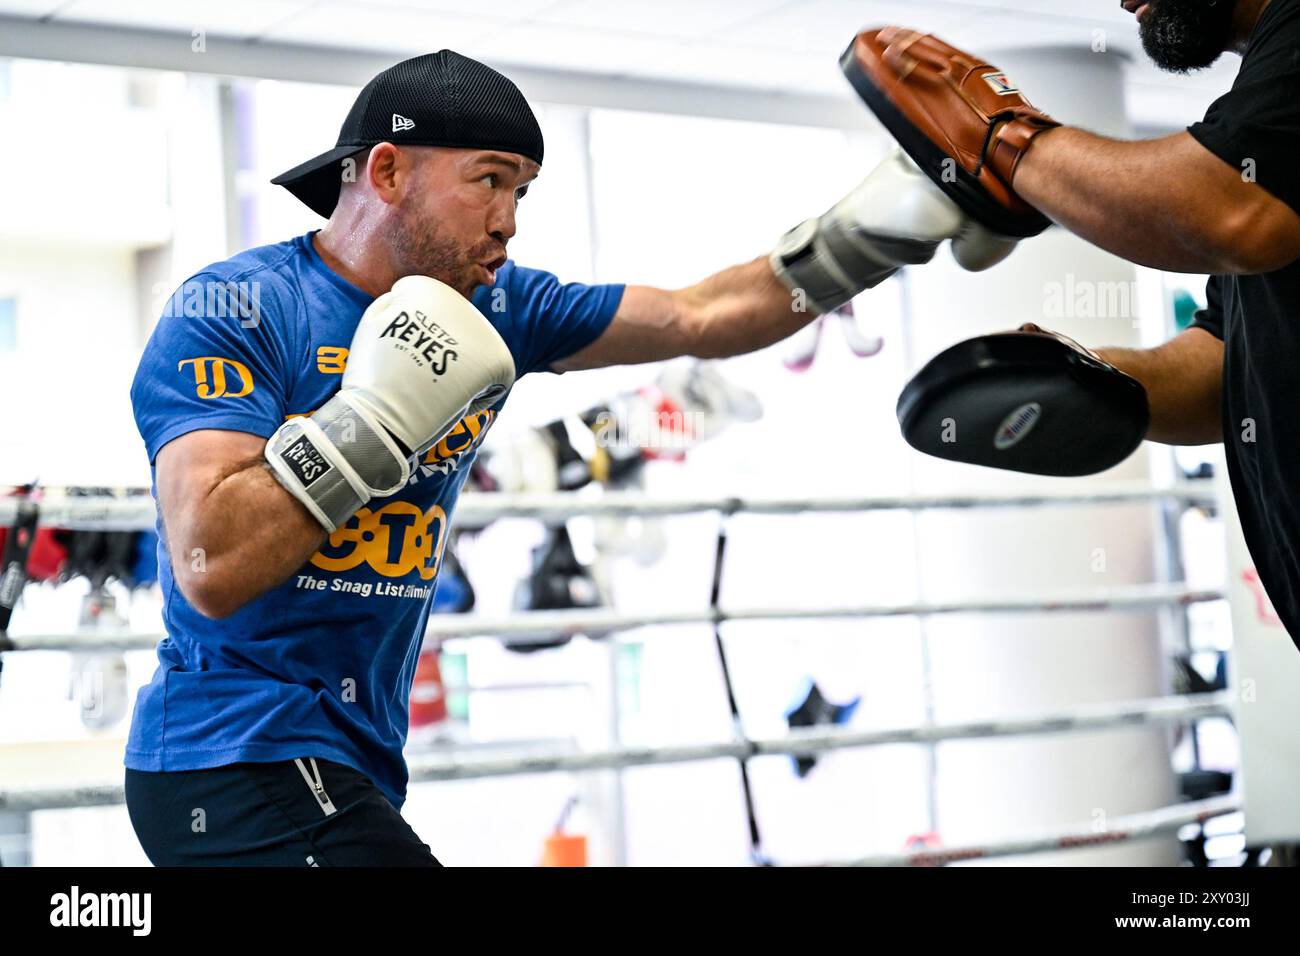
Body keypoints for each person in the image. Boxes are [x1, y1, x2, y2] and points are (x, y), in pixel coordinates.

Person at [124, 49, 1006, 865]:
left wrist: (877, 230)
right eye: (489, 182)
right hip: (228, 753)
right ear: (387, 171)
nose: (508, 221)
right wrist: (377, 417)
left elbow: (702, 316)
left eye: (525, 191)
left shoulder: (498, 307)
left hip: (351, 759)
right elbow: (210, 561)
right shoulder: (236, 307)